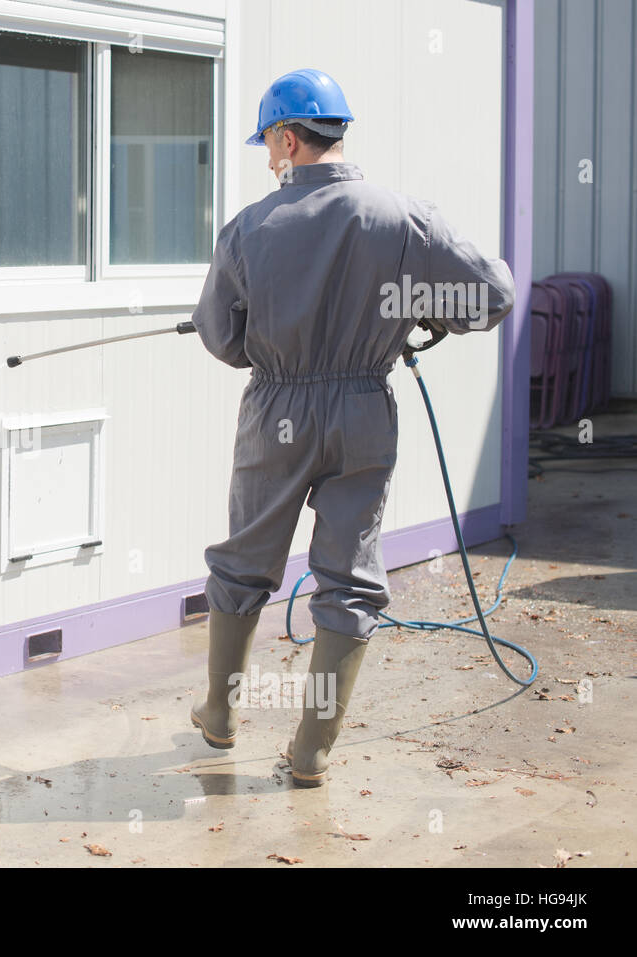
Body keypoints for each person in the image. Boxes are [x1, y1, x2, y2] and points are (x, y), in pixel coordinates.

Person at [186, 69, 515, 787]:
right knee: (349, 579)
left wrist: (276, 352)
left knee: (244, 561)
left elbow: (219, 335)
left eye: (269, 144)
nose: (269, 159)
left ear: (287, 137)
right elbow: (491, 294)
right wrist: (419, 306)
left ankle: (220, 713)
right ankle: (311, 752)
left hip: (277, 410)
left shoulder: (248, 228)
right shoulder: (401, 218)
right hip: (365, 407)